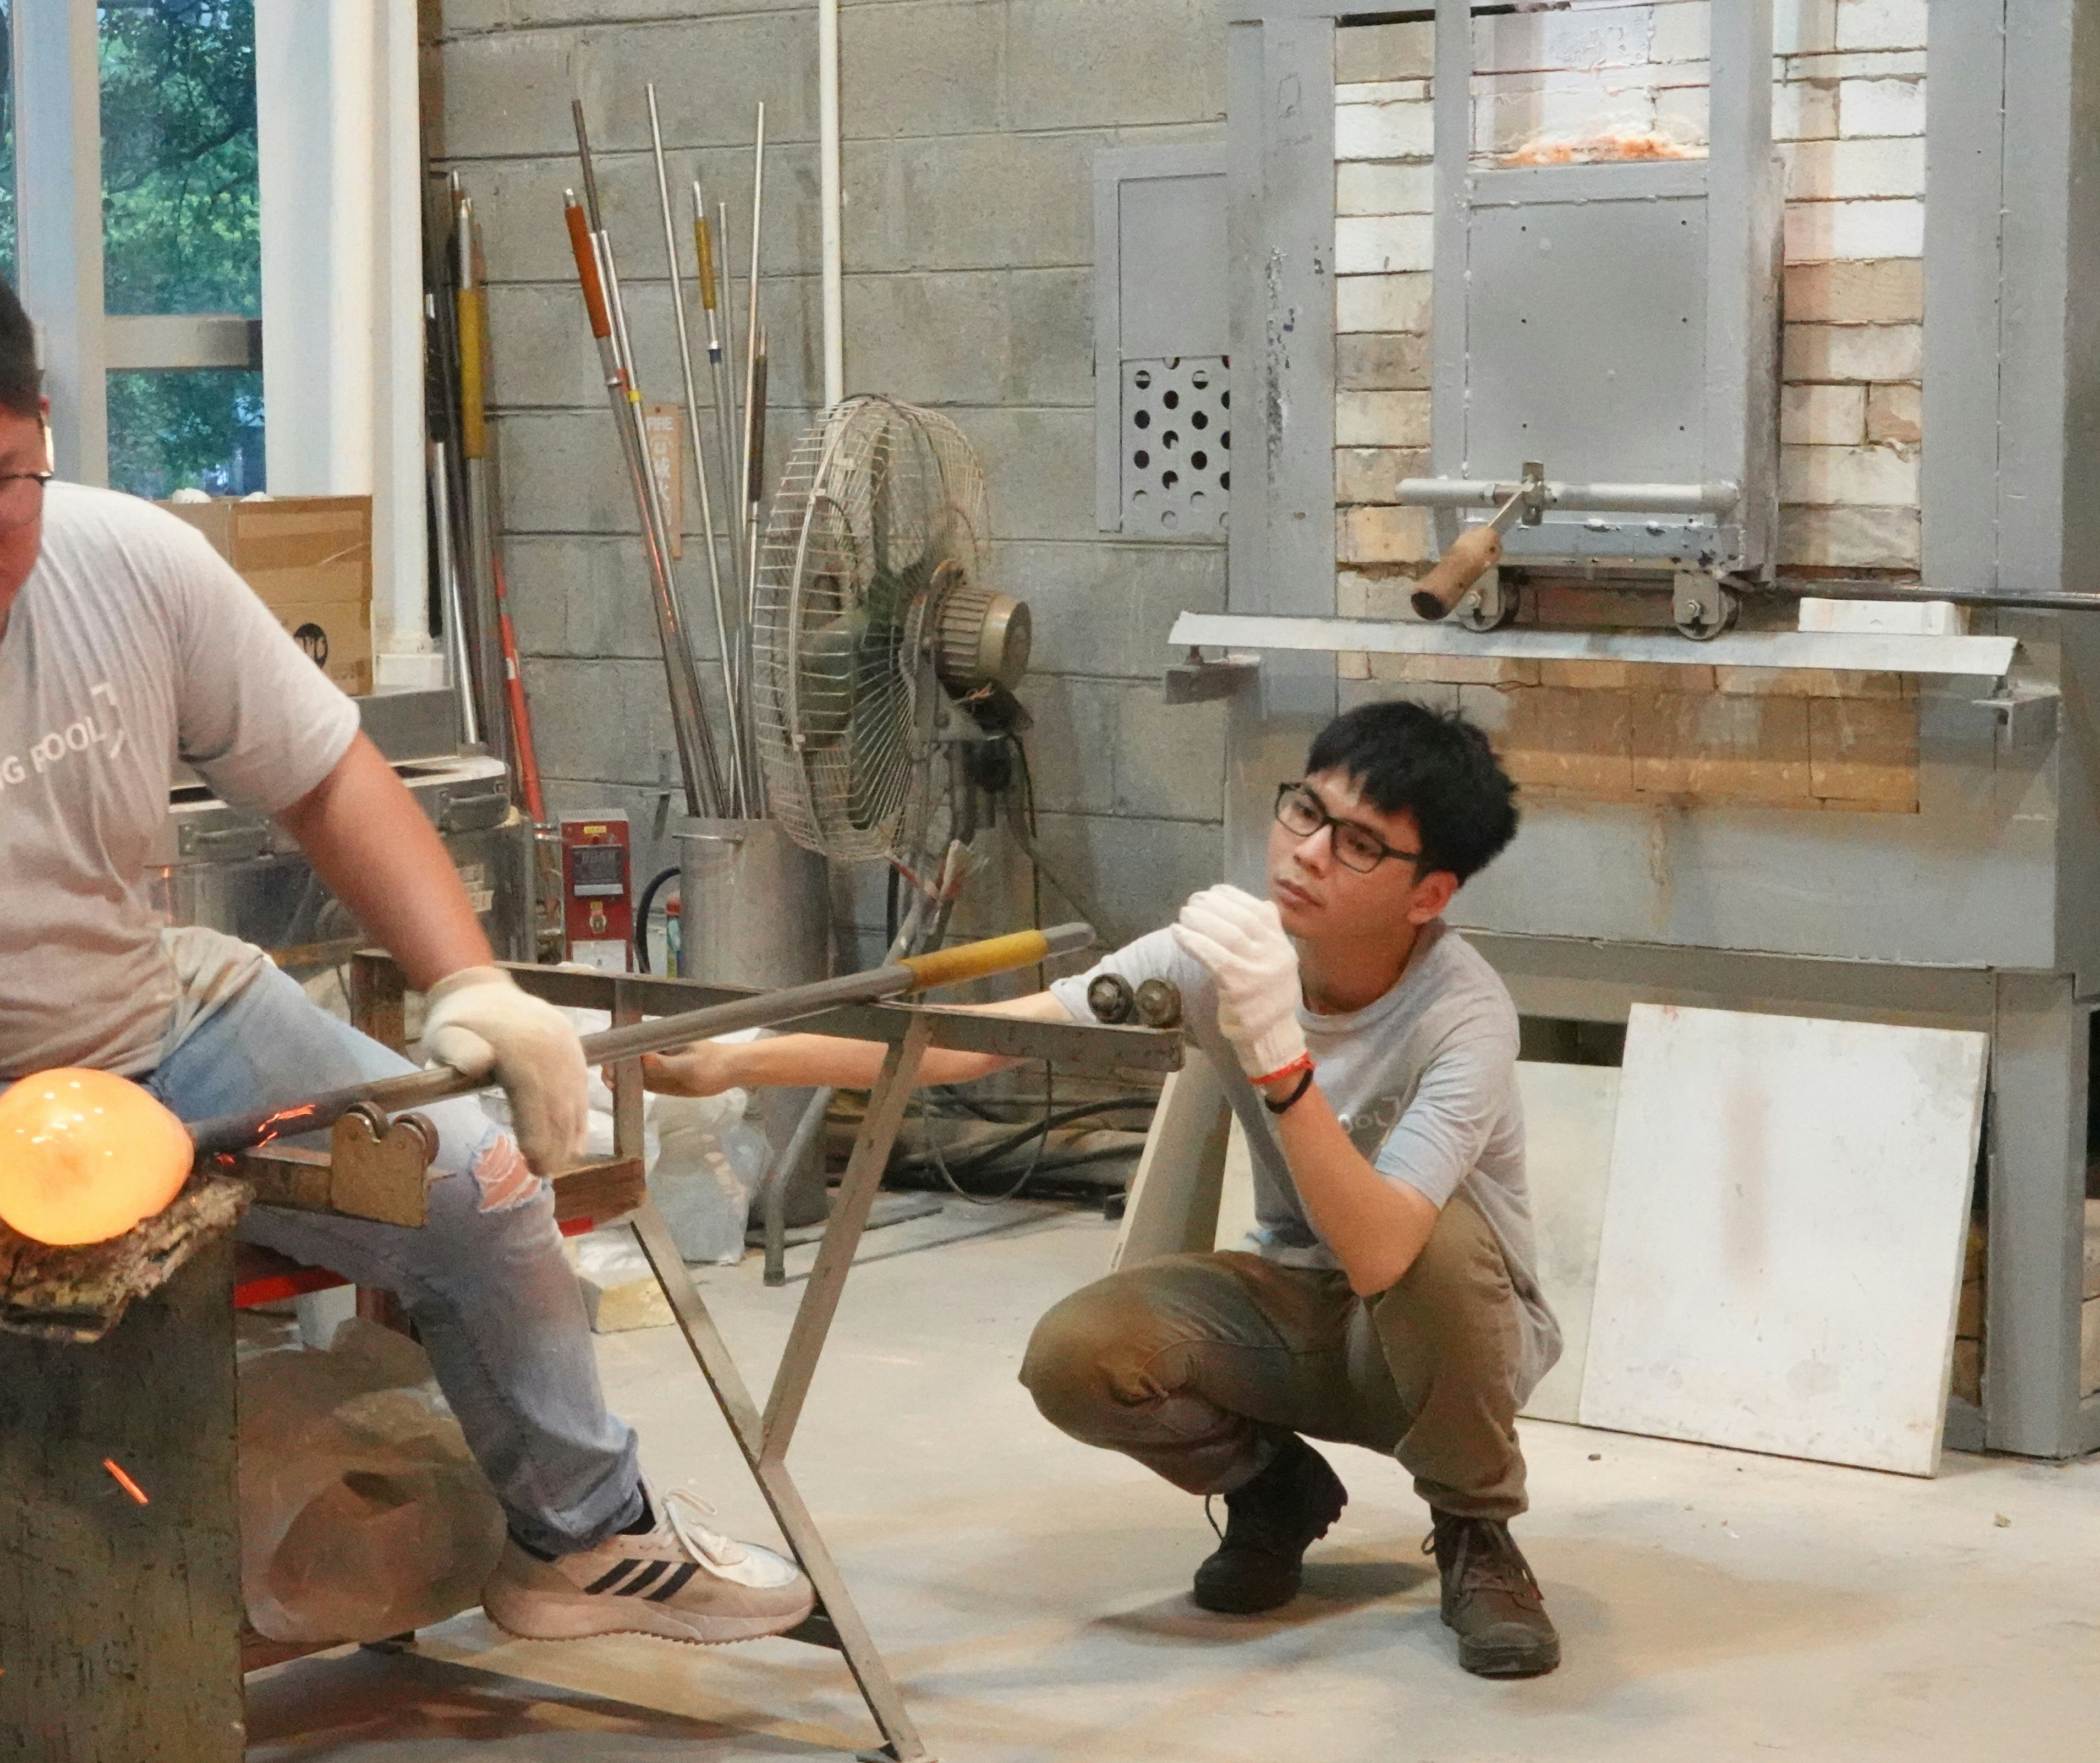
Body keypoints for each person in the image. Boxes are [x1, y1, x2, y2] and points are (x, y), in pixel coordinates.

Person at [0, 240, 812, 1646]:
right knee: (65, 1323)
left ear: (41, 437)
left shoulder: (129, 563)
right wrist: (112, 1189)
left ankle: (581, 1541)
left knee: (478, 1185)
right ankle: (65, 1661)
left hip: (155, 1014)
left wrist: (471, 981)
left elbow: (326, 774)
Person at [645, 701, 1559, 1677]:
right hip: (1302, 1303)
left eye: (1362, 844)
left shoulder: (1463, 1015)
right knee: (1080, 1356)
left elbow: (1382, 1254)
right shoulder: (1225, 957)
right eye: (1306, 811)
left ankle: (1476, 1531)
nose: (1310, 852)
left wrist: (1277, 1055)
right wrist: (738, 1063)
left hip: (1451, 1341)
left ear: (1430, 895)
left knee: (1440, 1243)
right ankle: (1275, 1489)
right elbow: (972, 1044)